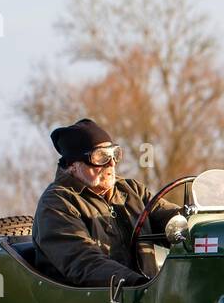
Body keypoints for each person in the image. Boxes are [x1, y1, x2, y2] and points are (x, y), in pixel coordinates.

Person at [32, 118, 181, 287]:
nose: (111, 164)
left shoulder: (131, 190)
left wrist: (198, 226)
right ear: (74, 165)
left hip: (145, 298)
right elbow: (84, 262)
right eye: (100, 157)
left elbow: (173, 220)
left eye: (114, 154)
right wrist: (139, 286)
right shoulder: (56, 203)